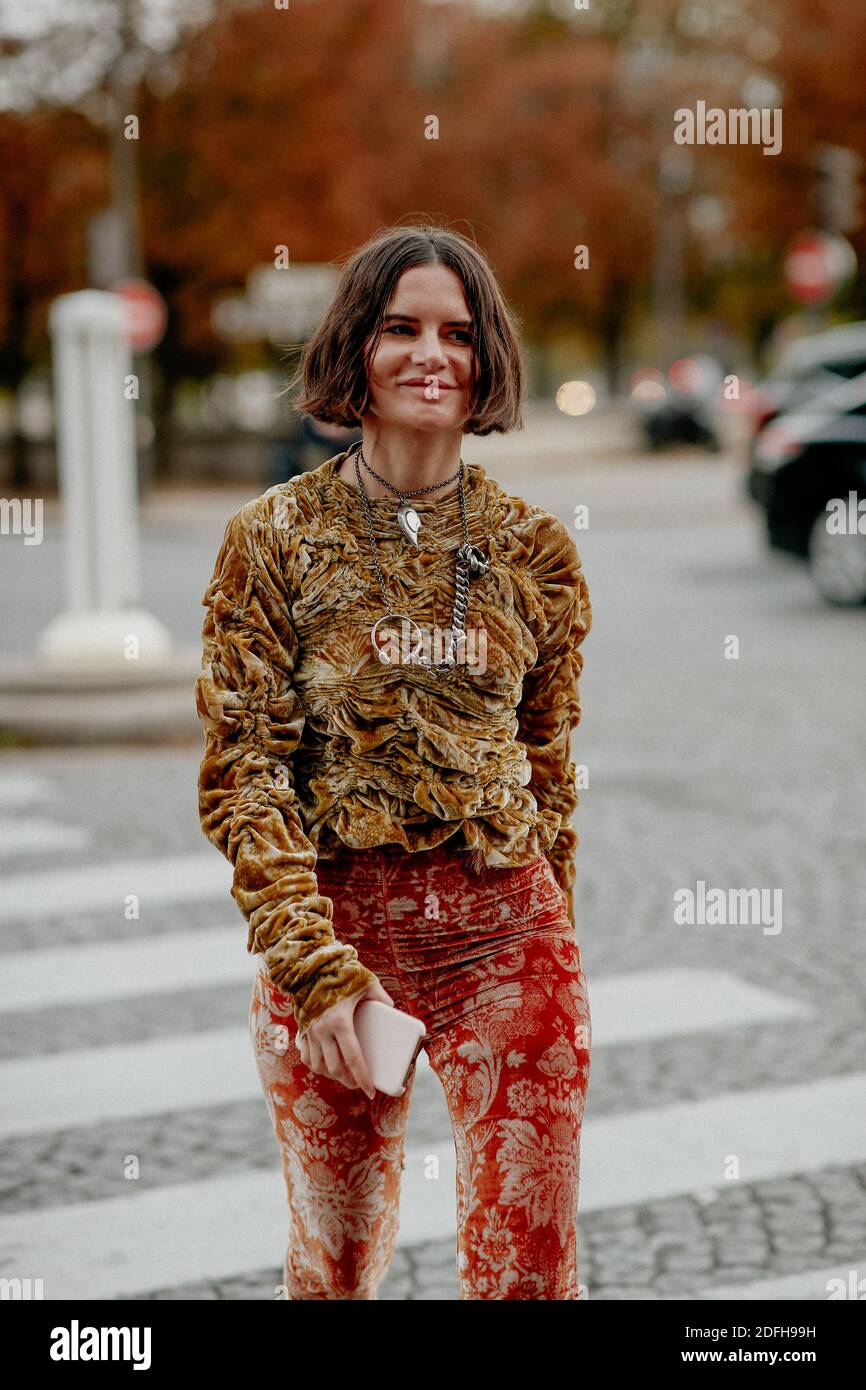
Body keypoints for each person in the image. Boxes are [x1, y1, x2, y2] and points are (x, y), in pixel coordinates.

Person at [195, 223, 593, 1301]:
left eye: (458, 334)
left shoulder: (535, 551)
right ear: (354, 353)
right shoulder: (270, 540)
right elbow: (246, 774)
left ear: (487, 360)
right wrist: (312, 972)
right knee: (335, 1269)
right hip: (336, 942)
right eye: (400, 327)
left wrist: (559, 930)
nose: (432, 354)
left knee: (530, 1277)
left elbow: (545, 765)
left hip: (506, 938)